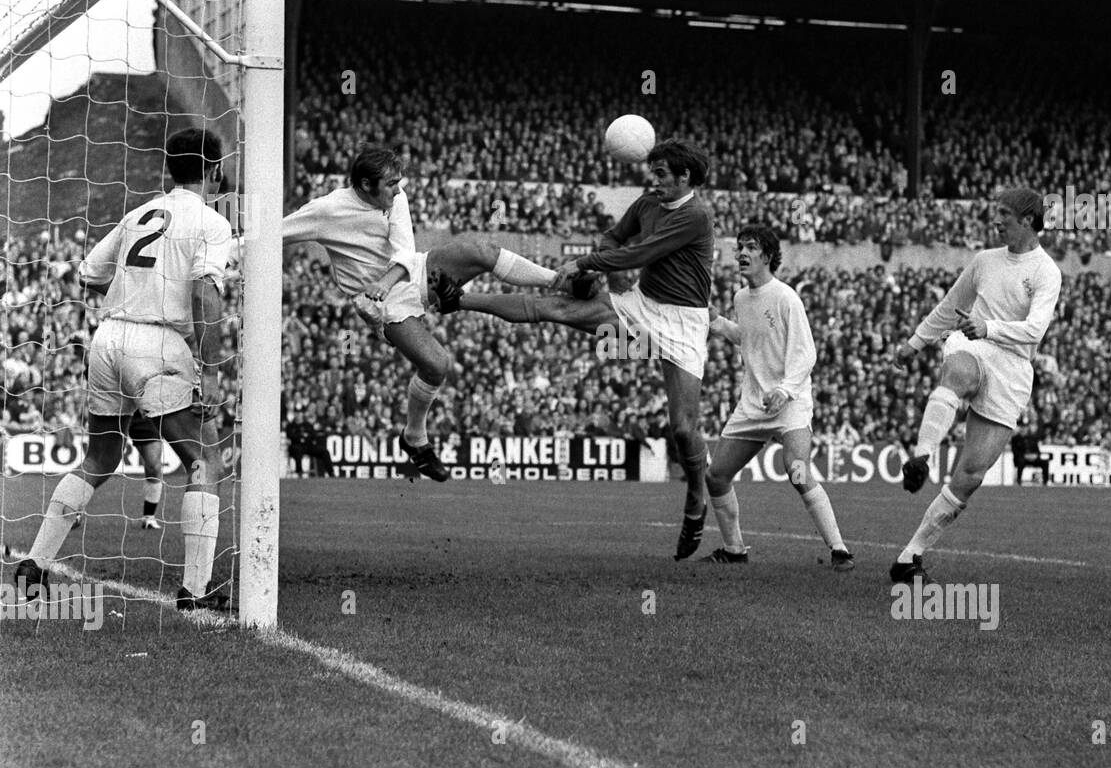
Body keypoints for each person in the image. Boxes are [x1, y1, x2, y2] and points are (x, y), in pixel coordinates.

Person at [440, 139, 715, 558]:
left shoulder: (696, 215)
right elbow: (616, 237)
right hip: (640, 310)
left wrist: (586, 264)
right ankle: (457, 299)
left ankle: (696, 499)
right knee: (557, 308)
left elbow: (641, 251)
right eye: (652, 173)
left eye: (661, 176)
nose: (653, 181)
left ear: (685, 178)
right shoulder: (646, 204)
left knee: (682, 429)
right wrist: (596, 262)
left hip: (684, 327)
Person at [13, 128, 232, 611]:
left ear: (170, 169)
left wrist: (132, 298)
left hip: (108, 339)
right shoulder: (212, 223)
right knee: (205, 460)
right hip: (158, 343)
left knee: (101, 458)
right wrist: (211, 369)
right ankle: (195, 591)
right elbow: (204, 293)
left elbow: (90, 272)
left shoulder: (138, 214)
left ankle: (36, 562)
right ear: (214, 170)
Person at [281, 145, 566, 483]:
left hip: (410, 273)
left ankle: (560, 279)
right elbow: (274, 234)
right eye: (391, 184)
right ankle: (415, 438)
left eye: (399, 182)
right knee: (437, 364)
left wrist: (387, 282)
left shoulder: (395, 198)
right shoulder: (327, 210)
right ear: (365, 184)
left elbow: (405, 250)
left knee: (481, 251)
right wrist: (222, 256)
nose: (399, 190)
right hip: (382, 302)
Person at [890, 188, 1062, 584]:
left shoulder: (1045, 271)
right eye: (995, 212)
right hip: (974, 344)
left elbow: (1036, 328)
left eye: (1004, 214)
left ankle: (908, 557)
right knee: (960, 373)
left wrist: (991, 326)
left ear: (1028, 220)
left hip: (1014, 366)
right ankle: (922, 456)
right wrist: (915, 343)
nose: (996, 220)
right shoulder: (985, 261)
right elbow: (951, 305)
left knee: (971, 474)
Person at [704, 225, 853, 570]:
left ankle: (839, 549)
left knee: (797, 471)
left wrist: (784, 390)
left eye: (750, 247)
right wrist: (720, 324)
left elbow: (806, 353)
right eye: (739, 247)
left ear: (767, 257)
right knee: (716, 475)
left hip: (790, 401)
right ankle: (734, 549)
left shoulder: (786, 297)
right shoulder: (742, 298)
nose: (741, 253)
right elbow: (750, 338)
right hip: (755, 401)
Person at [71, 412, 167, 530]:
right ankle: (75, 506)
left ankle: (149, 518)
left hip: (143, 411)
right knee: (103, 464)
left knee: (154, 465)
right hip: (116, 408)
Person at [1010, 418, 1051, 485]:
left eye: (1025, 427)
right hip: (1022, 459)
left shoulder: (1032, 438)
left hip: (1032, 458)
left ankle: (1046, 481)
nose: (1024, 429)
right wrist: (1025, 456)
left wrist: (1035, 455)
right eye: (1022, 427)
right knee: (1021, 461)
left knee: (1045, 462)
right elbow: (1015, 451)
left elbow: (1038, 451)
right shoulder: (1015, 439)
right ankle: (1019, 480)